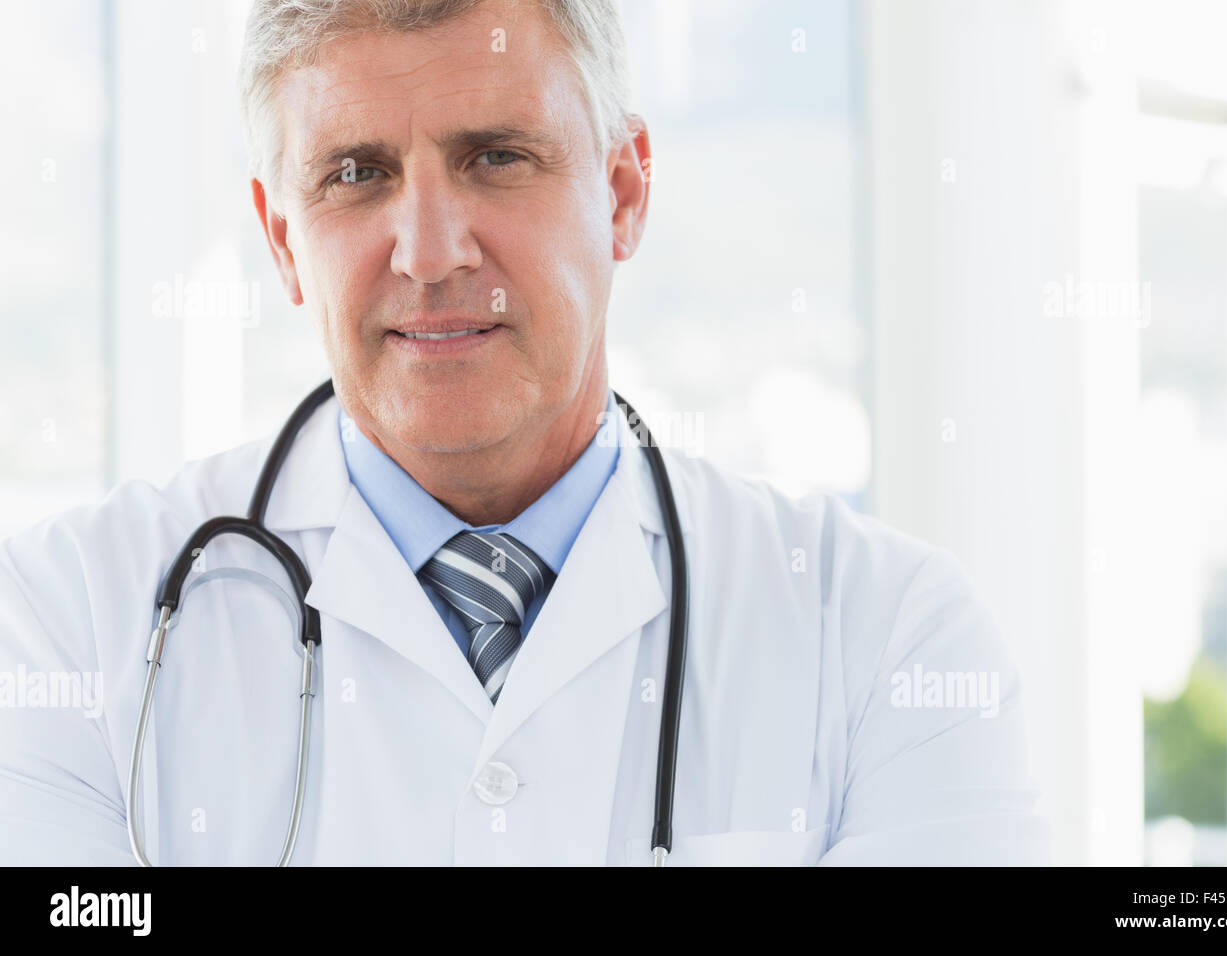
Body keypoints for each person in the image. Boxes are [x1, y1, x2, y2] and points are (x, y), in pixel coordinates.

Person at [0, 0, 1048, 865]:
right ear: (282, 239)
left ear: (623, 192)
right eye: (356, 173)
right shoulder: (65, 621)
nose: (428, 250)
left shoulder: (884, 634)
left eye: (496, 157)